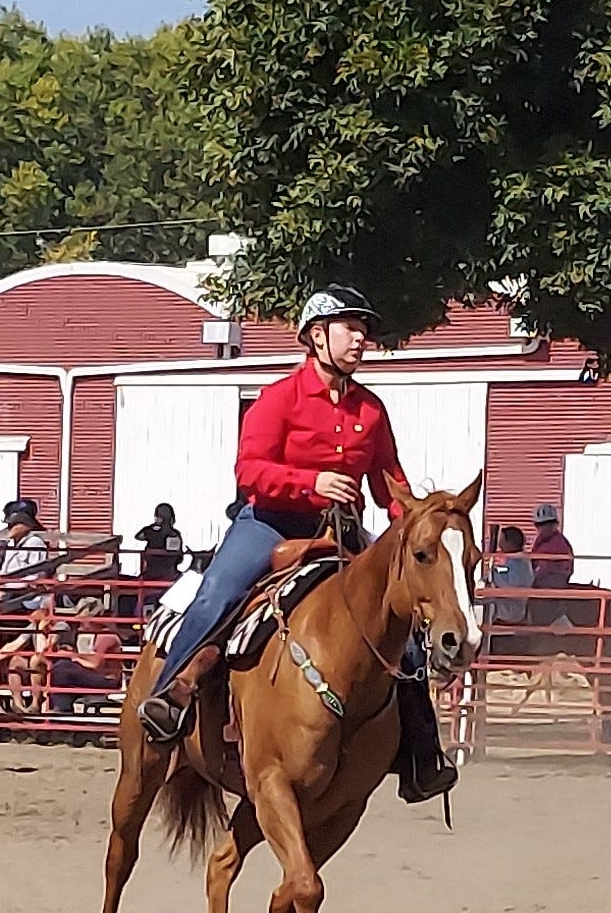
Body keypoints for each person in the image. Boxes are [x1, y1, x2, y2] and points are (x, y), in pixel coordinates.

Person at [135, 284, 456, 803]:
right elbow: (250, 470)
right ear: (316, 336)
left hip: (341, 531)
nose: (360, 340)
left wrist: (416, 524)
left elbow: (389, 484)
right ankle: (168, 697)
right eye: (350, 329)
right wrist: (312, 484)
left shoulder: (371, 411)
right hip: (271, 523)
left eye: (363, 331)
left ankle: (421, 754)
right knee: (218, 592)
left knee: (406, 623)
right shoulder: (278, 398)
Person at [130, 502, 187, 617]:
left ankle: (138, 618)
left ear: (157, 517)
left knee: (141, 594)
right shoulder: (174, 534)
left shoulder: (149, 531)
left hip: (150, 574)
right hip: (170, 574)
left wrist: (153, 528)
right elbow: (178, 557)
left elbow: (138, 536)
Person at [0, 499, 53, 613]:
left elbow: (36, 576)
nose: (9, 528)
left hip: (25, 596)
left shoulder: (35, 543)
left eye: (13, 524)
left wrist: (8, 587)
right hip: (6, 591)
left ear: (26, 525)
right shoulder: (11, 544)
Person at [484, 525, 534, 626]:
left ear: (510, 543)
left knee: (487, 607)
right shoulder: (515, 560)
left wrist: (491, 573)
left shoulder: (521, 563)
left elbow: (507, 585)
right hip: (507, 602)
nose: (500, 544)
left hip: (513, 608)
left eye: (502, 540)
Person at [528, 504, 575, 588]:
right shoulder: (540, 540)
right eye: (540, 524)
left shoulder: (558, 543)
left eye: (549, 523)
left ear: (555, 524)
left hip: (553, 579)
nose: (544, 527)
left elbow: (543, 567)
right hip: (542, 578)